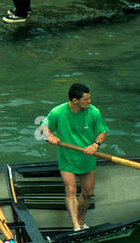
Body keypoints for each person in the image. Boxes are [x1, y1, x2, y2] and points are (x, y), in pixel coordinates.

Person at [42, 84, 109, 231]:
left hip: (87, 157)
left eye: (90, 98)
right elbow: (43, 127)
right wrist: (50, 136)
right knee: (71, 190)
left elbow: (102, 131)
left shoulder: (94, 112)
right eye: (86, 99)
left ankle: (81, 220)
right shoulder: (57, 112)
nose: (90, 101)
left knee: (88, 193)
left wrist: (95, 145)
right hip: (67, 157)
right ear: (74, 101)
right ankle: (76, 227)